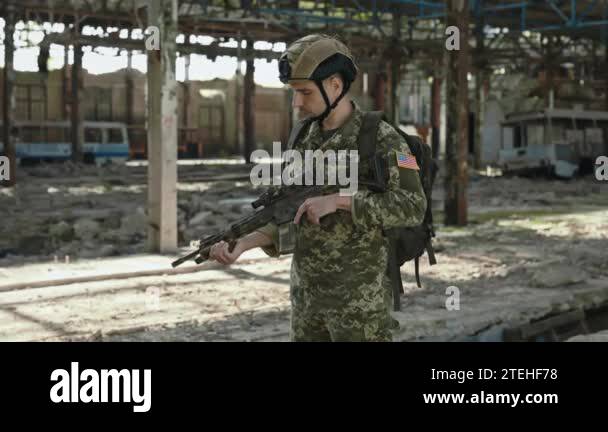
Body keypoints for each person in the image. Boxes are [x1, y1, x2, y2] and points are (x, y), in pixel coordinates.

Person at [209, 34, 427, 341]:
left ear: (335, 85)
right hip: (307, 303)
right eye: (294, 93)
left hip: (358, 307)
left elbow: (412, 206)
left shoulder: (383, 139)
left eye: (305, 92)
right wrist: (244, 244)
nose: (297, 103)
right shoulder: (303, 137)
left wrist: (341, 201)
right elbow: (288, 212)